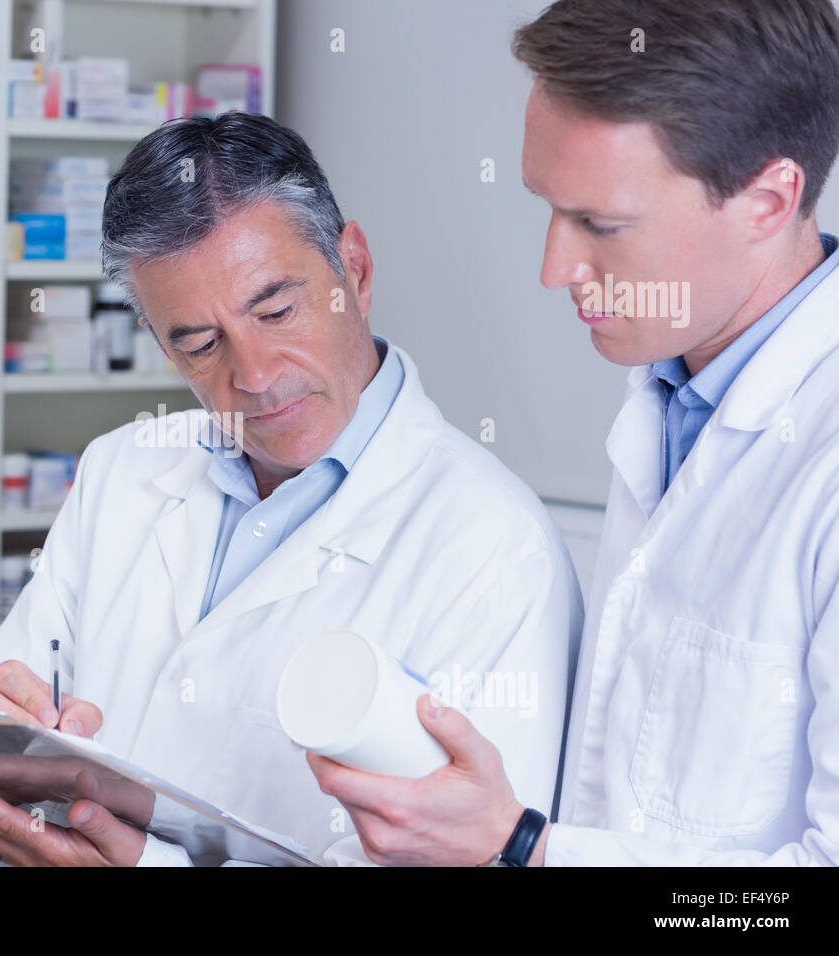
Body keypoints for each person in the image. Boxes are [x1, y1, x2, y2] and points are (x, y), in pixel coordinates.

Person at [0, 111, 582, 866]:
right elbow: (11, 695)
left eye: (276, 310)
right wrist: (0, 728)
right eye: (199, 343)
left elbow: (471, 857)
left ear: (354, 272)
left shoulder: (495, 548)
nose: (255, 375)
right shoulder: (120, 471)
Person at [309, 0, 839, 866]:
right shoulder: (672, 392)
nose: (555, 270)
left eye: (601, 225)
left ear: (768, 200)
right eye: (550, 210)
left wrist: (524, 850)